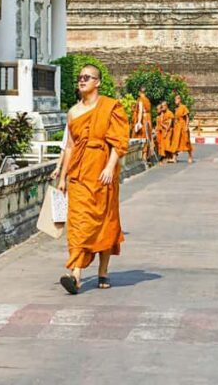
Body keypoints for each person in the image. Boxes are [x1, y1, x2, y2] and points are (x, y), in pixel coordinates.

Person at [57, 64, 129, 294]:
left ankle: (103, 270)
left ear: (97, 82)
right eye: (79, 77)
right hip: (79, 174)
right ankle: (76, 275)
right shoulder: (73, 112)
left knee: (105, 221)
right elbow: (69, 147)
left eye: (87, 77)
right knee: (78, 223)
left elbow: (118, 141)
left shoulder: (110, 107)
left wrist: (110, 166)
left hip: (102, 172)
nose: (81, 80)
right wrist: (62, 176)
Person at [171, 94, 194, 164]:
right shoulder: (176, 109)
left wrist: (187, 126)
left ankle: (190, 156)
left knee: (186, 141)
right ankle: (174, 157)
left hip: (183, 126)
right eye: (175, 100)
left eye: (176, 100)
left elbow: (187, 117)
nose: (175, 101)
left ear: (179, 100)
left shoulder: (183, 107)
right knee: (175, 141)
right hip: (177, 127)